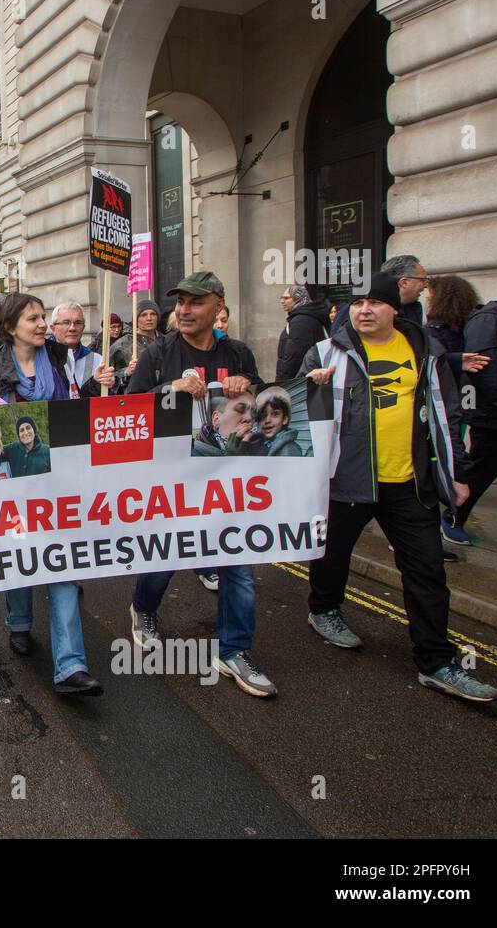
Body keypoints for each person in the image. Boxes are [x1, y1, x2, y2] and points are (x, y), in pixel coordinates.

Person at [301, 271, 497, 703]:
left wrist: (459, 474)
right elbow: (294, 413)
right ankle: (324, 609)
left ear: (396, 308)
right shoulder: (324, 352)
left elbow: (448, 415)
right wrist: (308, 388)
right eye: (358, 303)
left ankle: (436, 662)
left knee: (427, 571)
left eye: (375, 302)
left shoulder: (426, 351)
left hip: (410, 482)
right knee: (332, 555)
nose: (365, 310)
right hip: (345, 481)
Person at [126, 271, 275, 697]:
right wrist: (167, 389)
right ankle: (144, 608)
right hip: (172, 480)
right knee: (165, 556)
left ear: (218, 307)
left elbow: (264, 411)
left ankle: (233, 651)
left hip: (228, 483)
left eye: (196, 302)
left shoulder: (239, 353)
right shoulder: (159, 353)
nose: (185, 310)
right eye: (181, 303)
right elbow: (131, 408)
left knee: (238, 566)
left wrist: (251, 387)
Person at [0, 293, 112, 696]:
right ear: (11, 327)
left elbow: (74, 407)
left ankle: (71, 665)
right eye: (33, 318)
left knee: (61, 564)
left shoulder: (60, 360)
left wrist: (95, 388)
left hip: (58, 481)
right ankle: (19, 623)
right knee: (20, 556)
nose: (43, 324)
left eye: (43, 316)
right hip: (13, 487)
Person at [444, 267, 497, 545]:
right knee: (479, 474)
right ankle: (452, 518)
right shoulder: (488, 320)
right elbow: (487, 373)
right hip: (495, 417)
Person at [331, 255, 428, 336]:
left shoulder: (413, 309)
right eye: (422, 280)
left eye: (375, 303)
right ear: (404, 282)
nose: (425, 286)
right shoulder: (349, 316)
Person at [424, 275, 487, 391]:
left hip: (452, 393)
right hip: (476, 392)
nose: (427, 301)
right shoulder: (479, 322)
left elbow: (429, 362)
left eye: (430, 298)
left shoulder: (434, 328)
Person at [275, 286, 330, 383]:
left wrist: (282, 384)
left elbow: (294, 357)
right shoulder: (303, 318)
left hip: (300, 381)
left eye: (286, 298)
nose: (282, 301)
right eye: (281, 298)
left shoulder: (301, 321)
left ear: (298, 299)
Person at [48, 302, 103, 389]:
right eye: (66, 322)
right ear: (53, 328)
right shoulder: (42, 357)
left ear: (83, 327)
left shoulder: (97, 361)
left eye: (78, 323)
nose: (72, 328)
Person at [192, 390, 262, 457]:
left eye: (254, 413)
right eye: (240, 409)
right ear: (216, 419)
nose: (249, 418)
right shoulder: (194, 453)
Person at [255, 387, 303, 457]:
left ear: (284, 419)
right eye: (263, 415)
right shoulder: (259, 444)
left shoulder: (290, 450)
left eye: (275, 414)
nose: (267, 420)